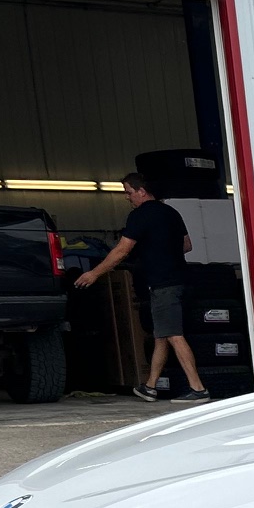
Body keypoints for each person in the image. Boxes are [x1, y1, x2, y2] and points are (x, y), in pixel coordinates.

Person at [75, 172, 208, 403]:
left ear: (141, 191)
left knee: (174, 335)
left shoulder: (139, 216)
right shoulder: (171, 212)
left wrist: (94, 273)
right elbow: (186, 245)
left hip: (164, 284)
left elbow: (122, 250)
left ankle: (198, 389)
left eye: (128, 192)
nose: (127, 198)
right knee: (161, 335)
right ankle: (150, 386)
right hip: (181, 281)